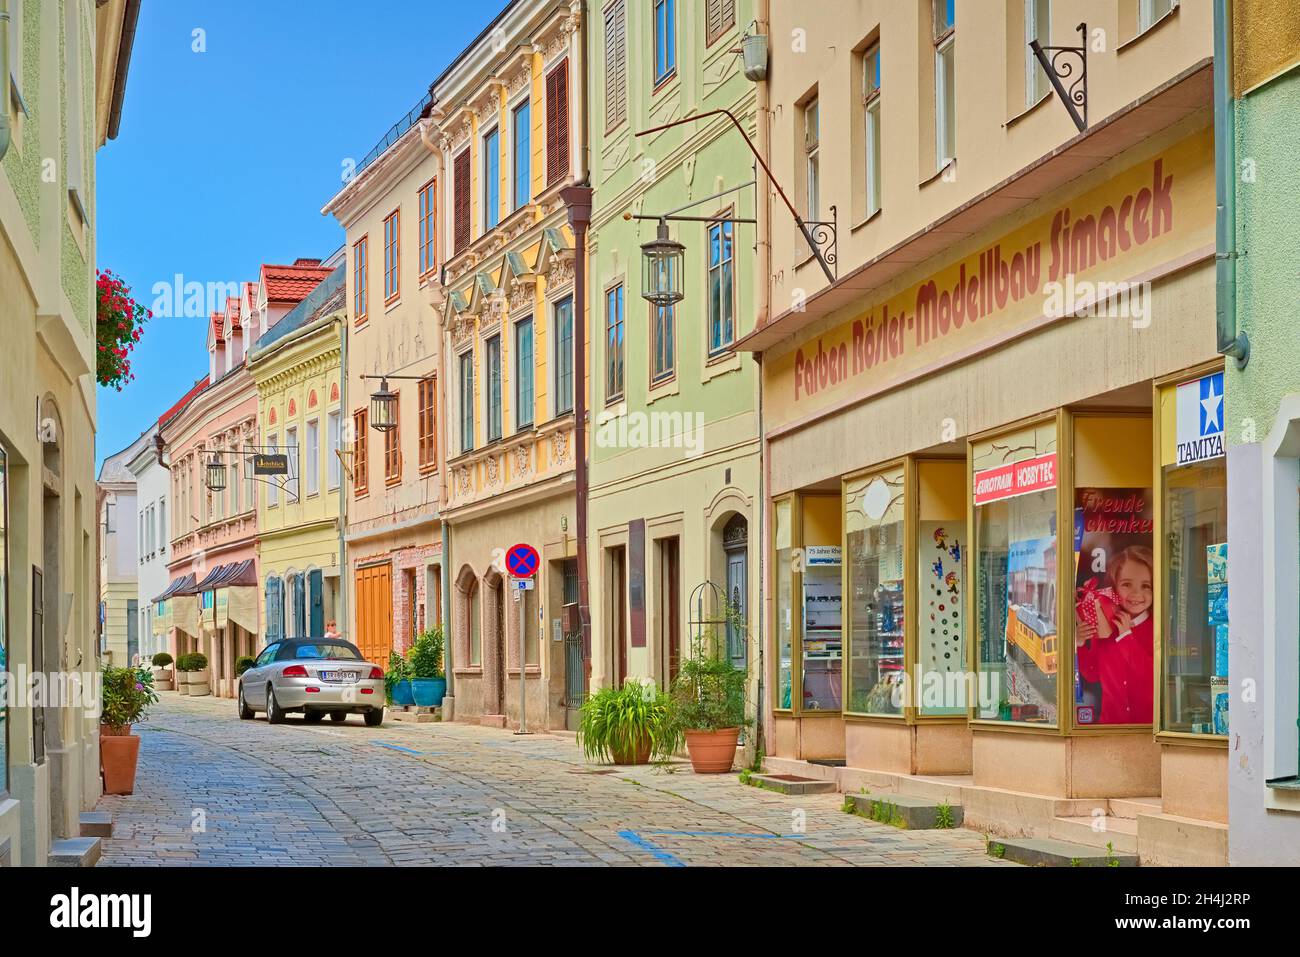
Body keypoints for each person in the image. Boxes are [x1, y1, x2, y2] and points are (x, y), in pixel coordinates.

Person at [1075, 545, 1154, 724]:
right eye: (1127, 584)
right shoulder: (1104, 625)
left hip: (1147, 729)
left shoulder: (1156, 629)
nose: (1136, 594)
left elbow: (1150, 675)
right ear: (1114, 587)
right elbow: (1092, 674)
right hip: (1110, 724)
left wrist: (1126, 638)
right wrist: (1080, 644)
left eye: (1146, 586)